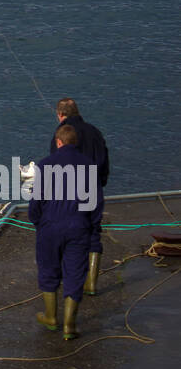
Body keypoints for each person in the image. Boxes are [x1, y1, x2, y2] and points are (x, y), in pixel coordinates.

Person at [29, 123, 104, 340]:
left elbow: (37, 201)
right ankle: (70, 325)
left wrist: (37, 221)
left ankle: (51, 317)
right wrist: (92, 225)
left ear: (58, 142)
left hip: (50, 226)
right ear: (76, 143)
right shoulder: (89, 166)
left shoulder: (44, 165)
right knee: (74, 273)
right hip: (78, 226)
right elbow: (96, 202)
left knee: (48, 269)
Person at [48, 97, 109, 296]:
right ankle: (91, 283)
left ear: (60, 114)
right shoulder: (95, 132)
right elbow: (104, 160)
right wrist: (100, 183)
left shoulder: (60, 135)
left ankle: (70, 279)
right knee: (93, 232)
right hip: (92, 188)